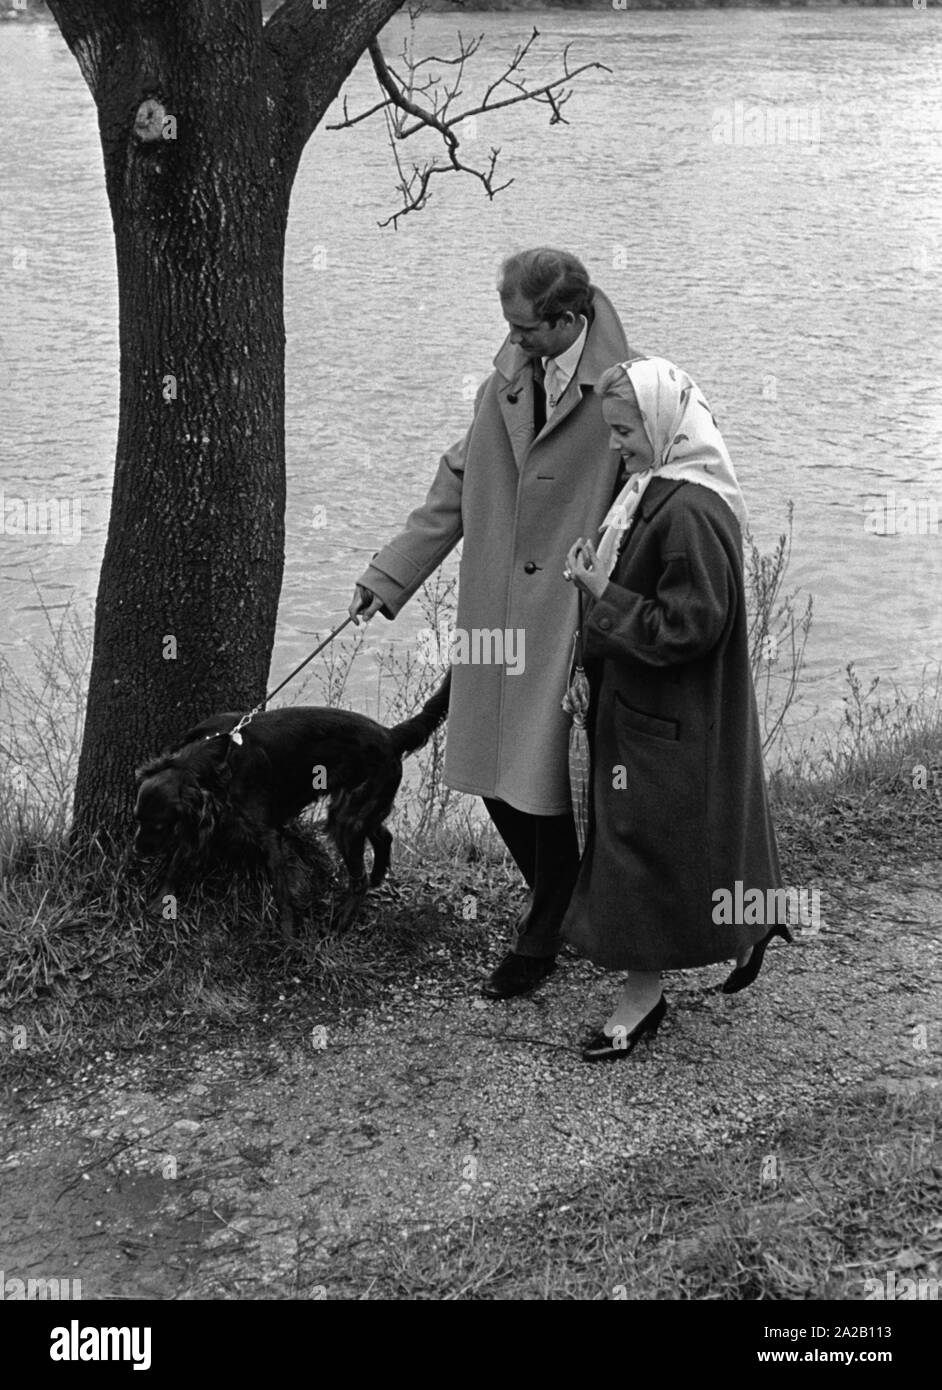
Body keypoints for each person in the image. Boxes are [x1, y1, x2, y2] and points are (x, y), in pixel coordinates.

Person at [349, 248, 638, 998]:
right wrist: (389, 576)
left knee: (543, 777)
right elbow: (458, 478)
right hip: (493, 610)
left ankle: (542, 935)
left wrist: (619, 599)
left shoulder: (627, 388)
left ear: (568, 320)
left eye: (524, 328)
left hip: (566, 615)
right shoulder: (505, 381)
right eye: (508, 326)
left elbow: (653, 493)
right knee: (487, 769)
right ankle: (564, 900)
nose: (511, 339)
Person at [561, 356, 787, 1062]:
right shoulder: (655, 489)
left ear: (662, 425)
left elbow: (692, 626)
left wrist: (601, 592)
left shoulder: (689, 510)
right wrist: (596, 603)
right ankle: (745, 924)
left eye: (625, 431)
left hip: (667, 718)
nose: (615, 445)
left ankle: (641, 1000)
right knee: (678, 842)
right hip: (651, 711)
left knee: (639, 852)